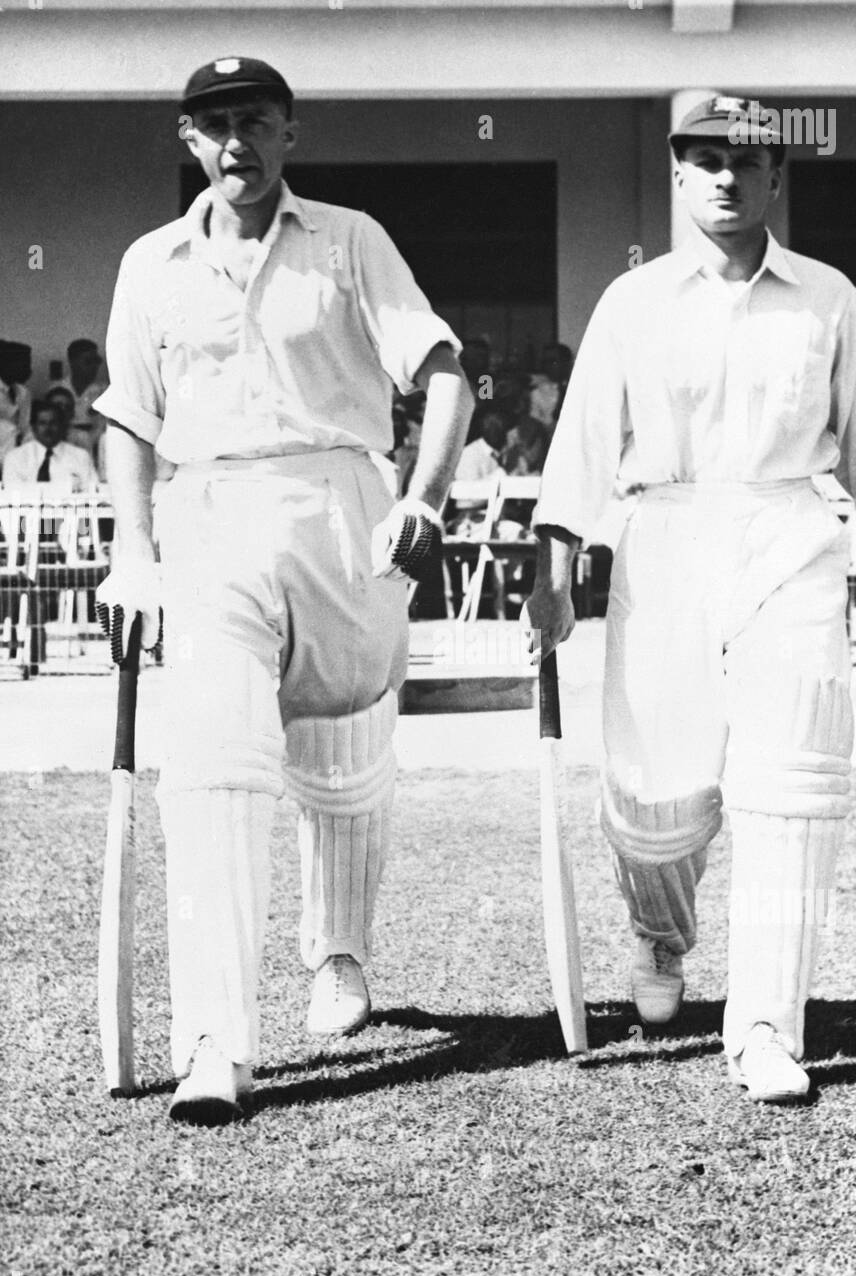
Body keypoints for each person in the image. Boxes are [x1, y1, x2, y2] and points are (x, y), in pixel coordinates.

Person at [526, 94, 856, 1104]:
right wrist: (552, 570)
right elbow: (580, 447)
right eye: (704, 158)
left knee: (788, 784)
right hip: (661, 541)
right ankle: (659, 935)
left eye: (744, 161)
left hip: (790, 538)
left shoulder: (826, 299)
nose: (724, 175)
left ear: (775, 178)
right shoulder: (633, 303)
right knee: (655, 801)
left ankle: (763, 1024)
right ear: (677, 173)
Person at [93, 56, 472, 1125]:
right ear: (187, 137)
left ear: (289, 134)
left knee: (343, 760)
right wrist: (133, 550)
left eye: (256, 122)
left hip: (341, 509)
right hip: (209, 518)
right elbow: (129, 415)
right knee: (213, 771)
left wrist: (428, 497)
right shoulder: (150, 264)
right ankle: (218, 1039)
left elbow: (443, 371)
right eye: (215, 126)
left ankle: (339, 953)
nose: (237, 144)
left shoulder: (351, 241)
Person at [2, 399, 97, 494]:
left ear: (62, 426)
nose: (48, 428)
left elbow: (93, 493)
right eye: (42, 423)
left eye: (53, 423)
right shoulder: (15, 458)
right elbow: (11, 496)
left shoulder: (81, 457)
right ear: (33, 427)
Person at [0, 341, 33, 462]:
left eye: (28, 365)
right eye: (23, 365)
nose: (29, 370)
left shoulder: (23, 392)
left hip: (16, 448)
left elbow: (25, 426)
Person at [529, 343, 573, 430]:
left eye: (553, 362)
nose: (548, 366)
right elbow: (535, 424)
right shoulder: (537, 393)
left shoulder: (581, 389)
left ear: (566, 363)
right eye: (545, 362)